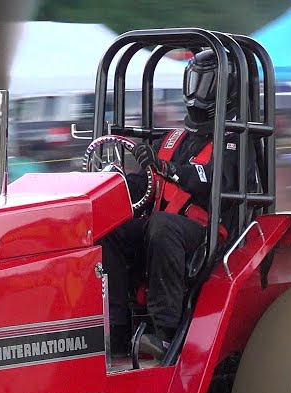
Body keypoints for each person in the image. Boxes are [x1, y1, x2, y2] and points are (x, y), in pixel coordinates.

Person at [99, 49, 242, 359]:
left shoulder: (234, 141)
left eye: (205, 83)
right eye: (194, 80)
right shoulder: (173, 138)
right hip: (163, 225)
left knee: (163, 227)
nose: (196, 90)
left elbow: (216, 181)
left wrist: (170, 170)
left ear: (224, 88)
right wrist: (118, 181)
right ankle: (117, 328)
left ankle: (165, 332)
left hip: (206, 233)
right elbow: (150, 185)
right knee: (111, 228)